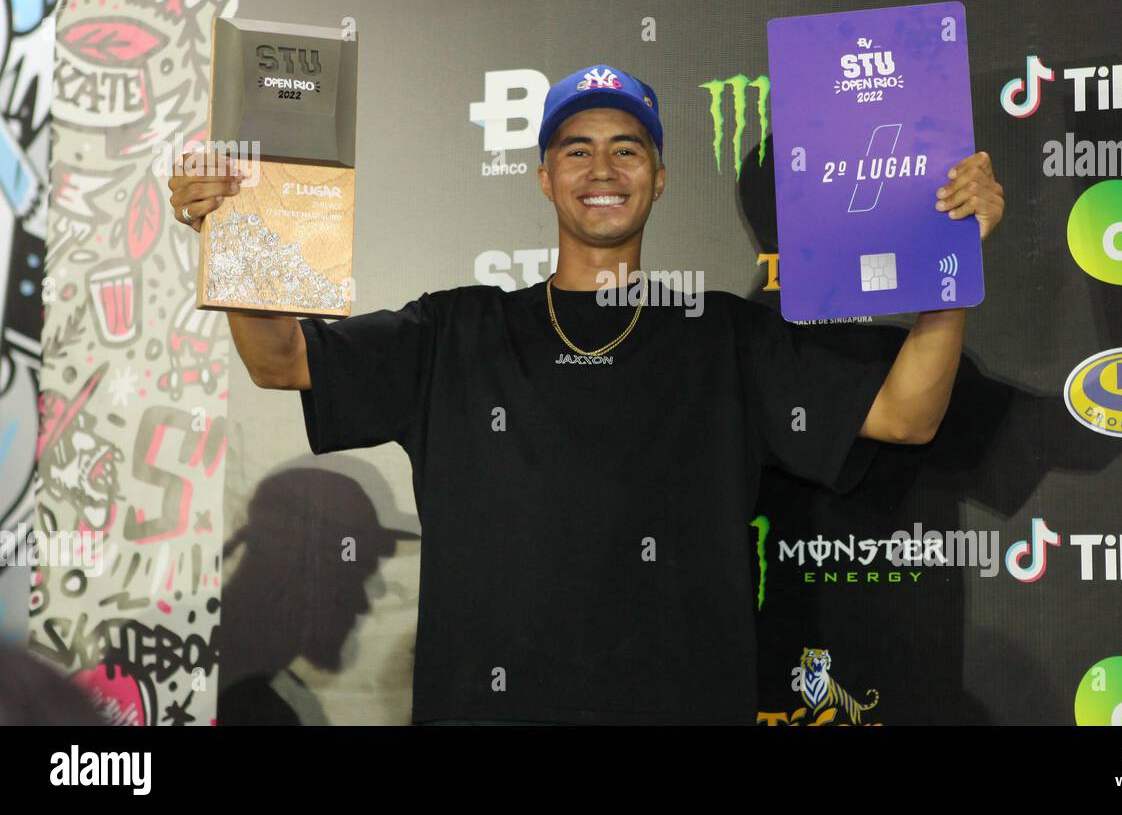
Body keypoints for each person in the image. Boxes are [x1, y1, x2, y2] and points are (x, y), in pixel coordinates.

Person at [169, 63, 1005, 725]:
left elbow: (906, 414)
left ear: (661, 178)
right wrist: (233, 235)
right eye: (577, 149)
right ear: (542, 178)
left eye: (627, 149)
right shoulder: (452, 332)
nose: (602, 168)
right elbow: (280, 362)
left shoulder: (726, 337)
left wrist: (950, 261)